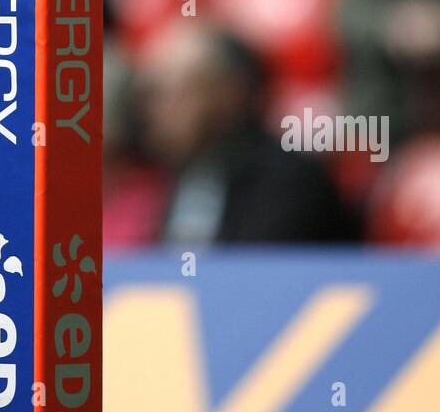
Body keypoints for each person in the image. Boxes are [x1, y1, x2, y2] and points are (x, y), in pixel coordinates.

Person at [135, 20, 358, 244]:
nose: (154, 110)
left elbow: (259, 272)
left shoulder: (289, 184)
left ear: (229, 92)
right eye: (150, 94)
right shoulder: (179, 178)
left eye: (171, 90)